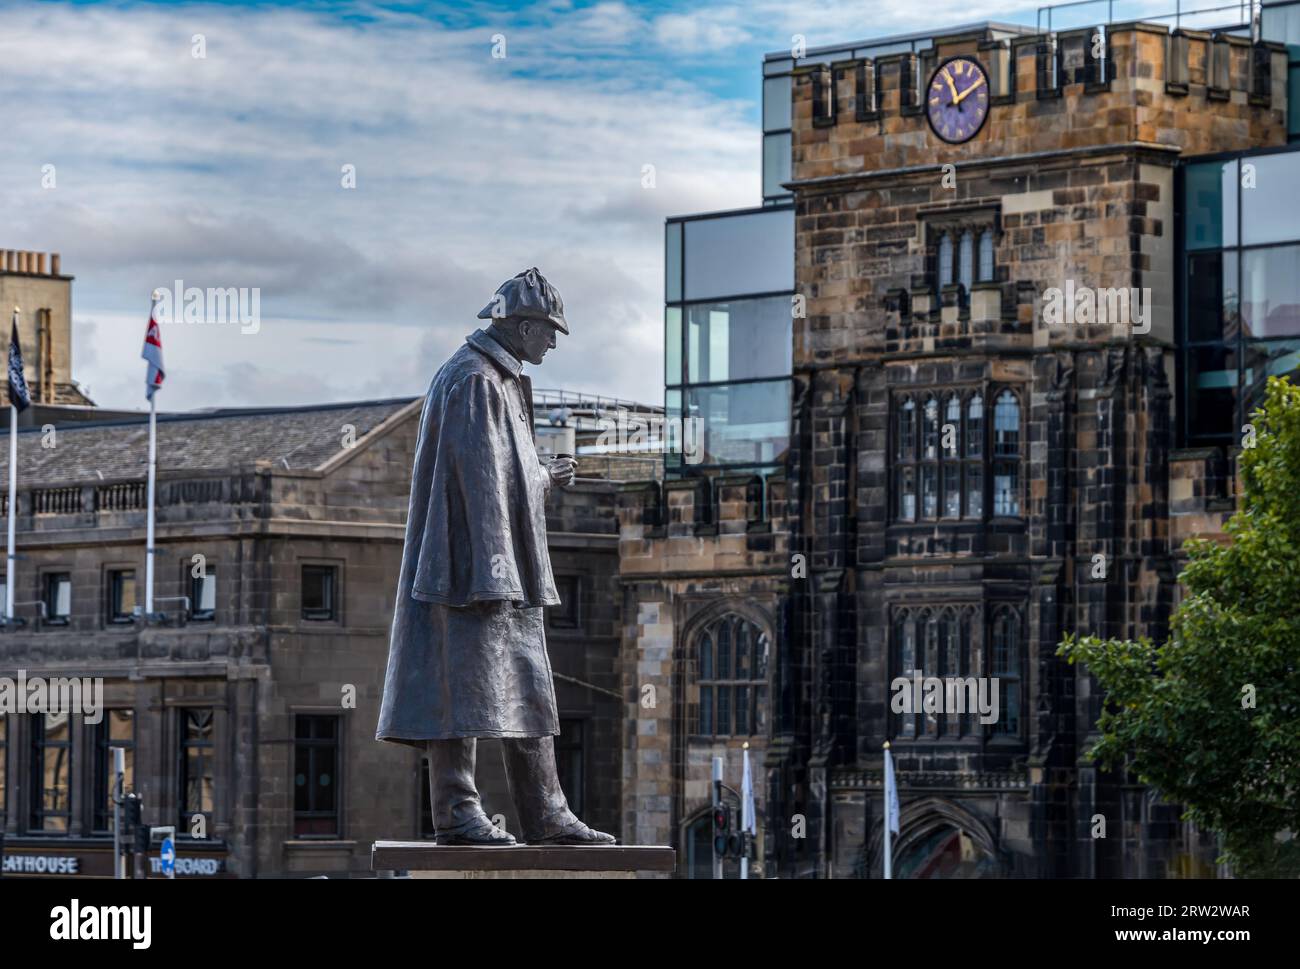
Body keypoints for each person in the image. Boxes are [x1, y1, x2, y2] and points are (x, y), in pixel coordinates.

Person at [376, 267, 615, 846]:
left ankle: (545, 815)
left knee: (521, 685)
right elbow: (479, 485)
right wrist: (495, 573)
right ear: (522, 324)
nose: (554, 342)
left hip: (495, 565)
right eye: (549, 330)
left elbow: (499, 475)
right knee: (461, 689)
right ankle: (459, 814)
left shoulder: (494, 377)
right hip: (475, 572)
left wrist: (540, 477)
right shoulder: (476, 380)